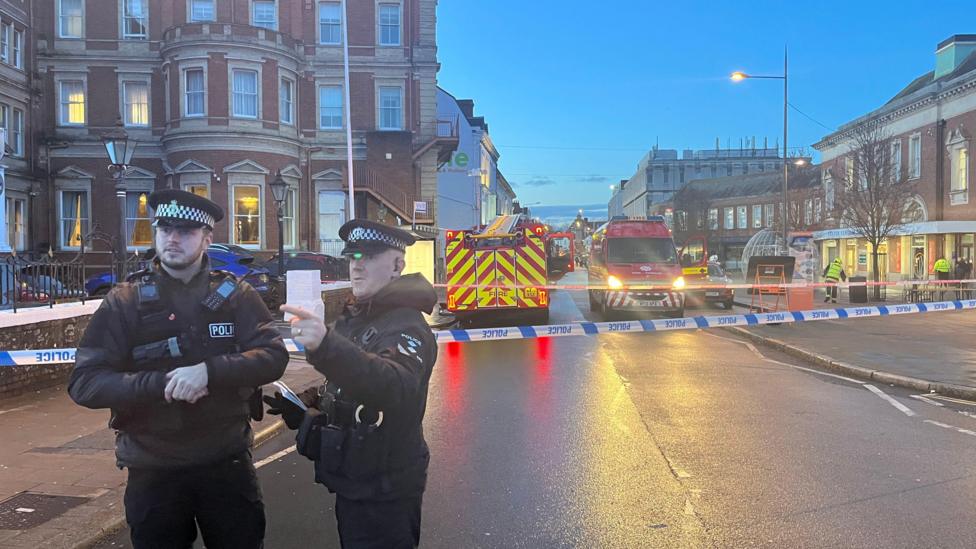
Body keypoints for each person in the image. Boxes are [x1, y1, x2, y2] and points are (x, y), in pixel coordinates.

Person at [68, 189, 288, 549]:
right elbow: (85, 382)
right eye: (165, 228)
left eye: (185, 231)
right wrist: (161, 384)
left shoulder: (236, 294)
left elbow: (273, 355)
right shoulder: (125, 300)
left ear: (207, 238)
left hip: (225, 462)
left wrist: (210, 371)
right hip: (154, 468)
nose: (172, 238)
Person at [268, 219, 438, 549]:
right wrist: (308, 403)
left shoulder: (407, 326)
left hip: (386, 490)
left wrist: (326, 345)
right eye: (353, 256)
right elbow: (346, 381)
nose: (357, 266)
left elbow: (394, 385)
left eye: (369, 257)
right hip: (356, 481)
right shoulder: (359, 317)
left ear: (397, 266)